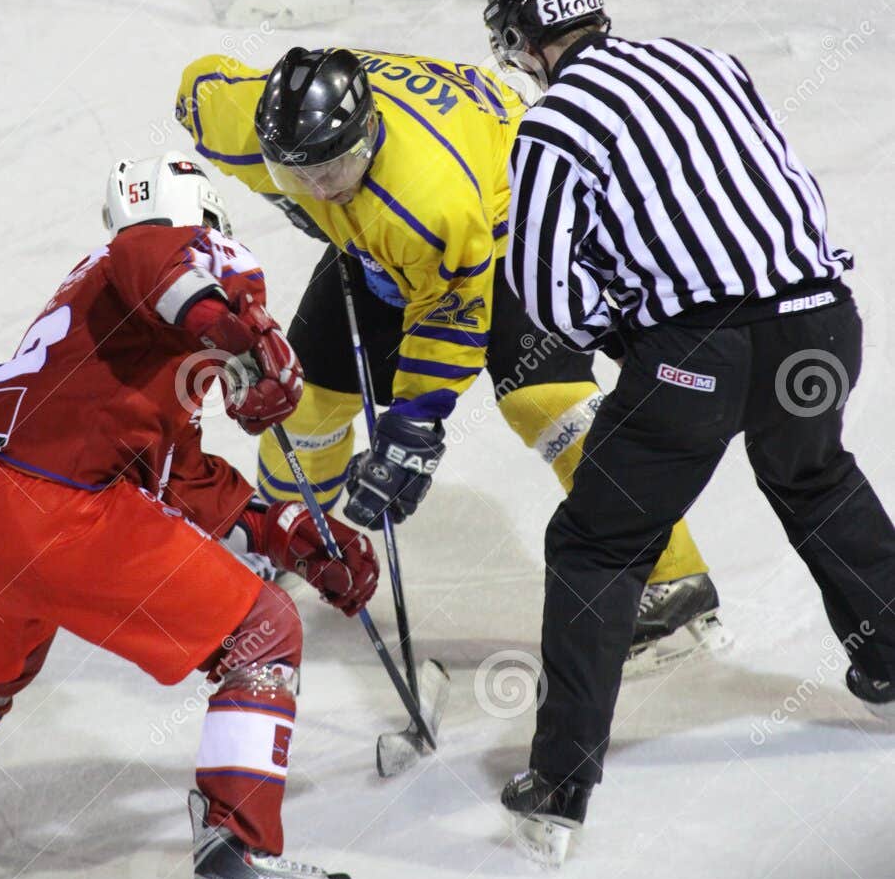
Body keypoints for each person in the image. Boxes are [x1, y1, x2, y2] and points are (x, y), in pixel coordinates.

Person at [0, 154, 377, 879]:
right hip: (50, 504)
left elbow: (178, 478)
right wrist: (240, 331)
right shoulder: (178, 261)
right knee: (261, 634)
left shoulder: (105, 318)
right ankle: (239, 860)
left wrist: (289, 538)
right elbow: (152, 254)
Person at [486, 0, 895, 864]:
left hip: (701, 353)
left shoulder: (553, 124)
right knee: (815, 476)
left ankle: (558, 784)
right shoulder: (708, 63)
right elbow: (778, 184)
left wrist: (631, 323)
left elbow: (548, 296)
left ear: (523, 37)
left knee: (598, 543)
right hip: (822, 324)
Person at [175, 47, 722, 668]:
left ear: (370, 134)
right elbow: (198, 85)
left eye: (335, 169)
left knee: (546, 401)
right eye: (300, 173)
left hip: (509, 227)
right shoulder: (252, 121)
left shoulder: (429, 201)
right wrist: (305, 195)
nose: (320, 186)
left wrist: (413, 426)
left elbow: (449, 318)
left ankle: (668, 573)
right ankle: (291, 539)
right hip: (382, 240)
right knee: (309, 403)